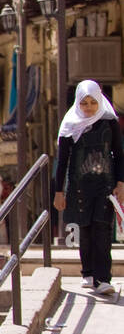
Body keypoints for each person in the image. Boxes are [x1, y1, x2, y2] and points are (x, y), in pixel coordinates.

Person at [54, 80, 124, 297]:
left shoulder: (110, 121)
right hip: (79, 187)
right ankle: (88, 273)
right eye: (84, 103)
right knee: (85, 230)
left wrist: (121, 183)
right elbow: (63, 160)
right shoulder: (70, 125)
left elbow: (120, 155)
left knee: (102, 230)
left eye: (93, 102)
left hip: (105, 186)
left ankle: (103, 279)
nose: (89, 107)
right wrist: (59, 191)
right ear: (78, 102)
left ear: (100, 100)